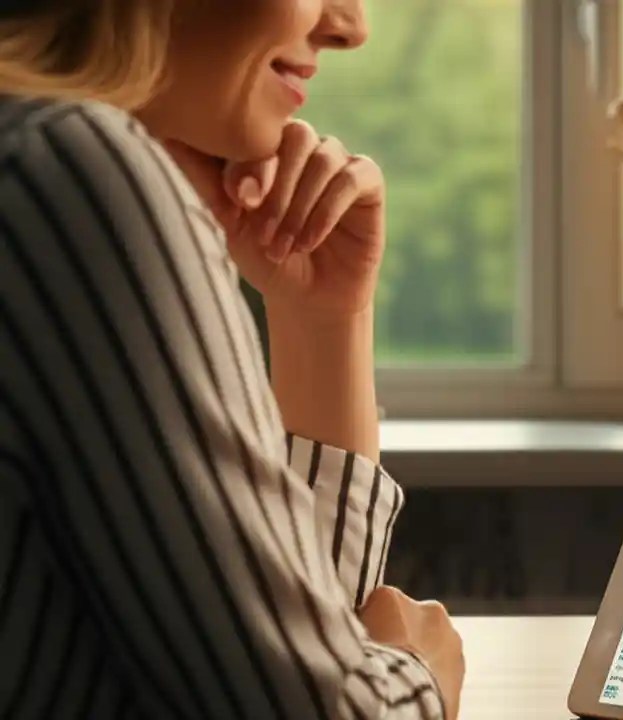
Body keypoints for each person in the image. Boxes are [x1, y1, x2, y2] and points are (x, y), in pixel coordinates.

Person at [0, 1, 464, 718]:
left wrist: (323, 319)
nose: (349, 25)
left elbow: (282, 650)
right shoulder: (64, 167)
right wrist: (422, 672)